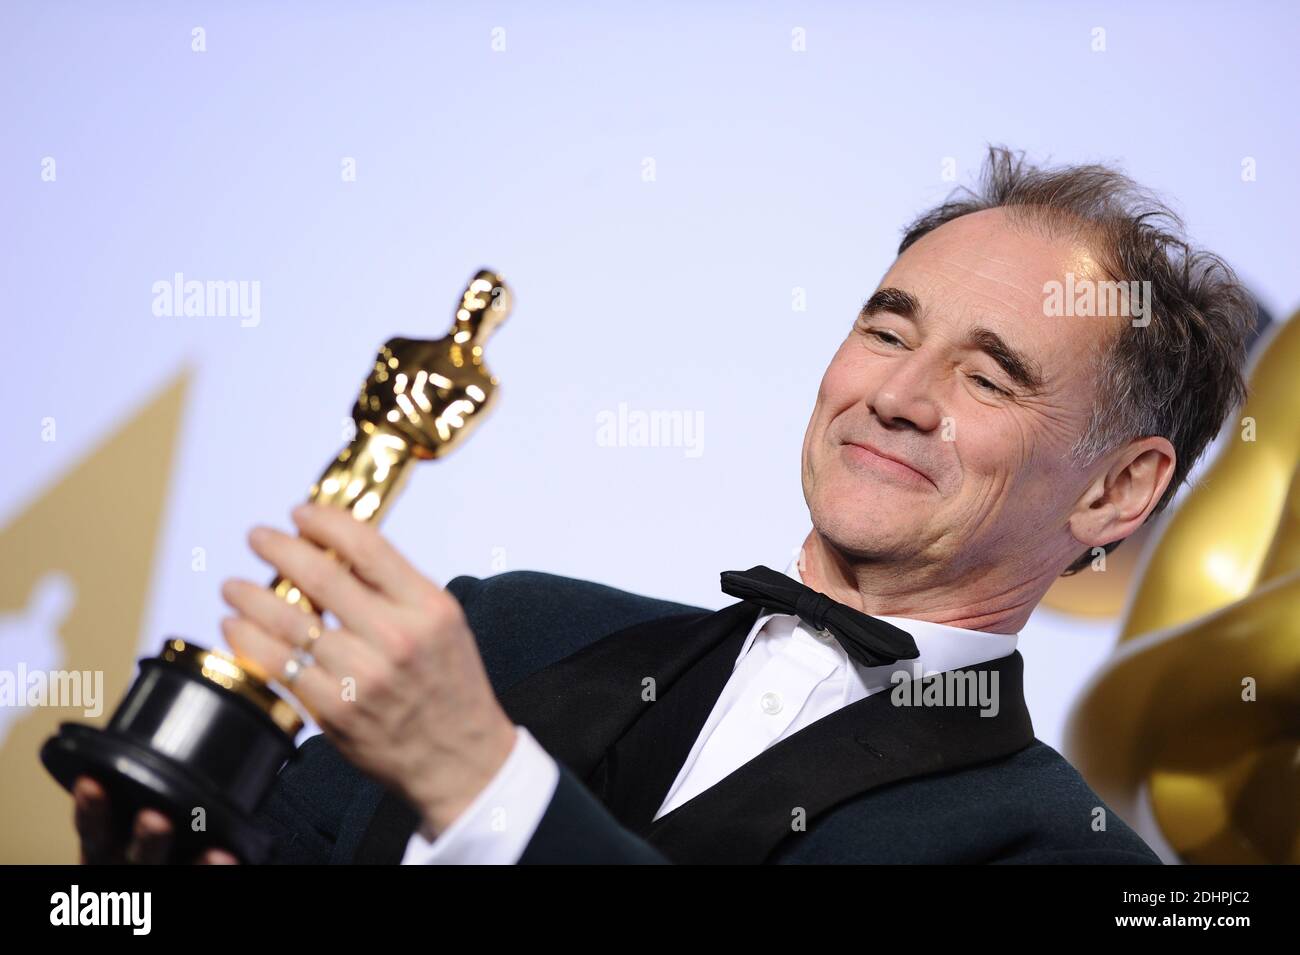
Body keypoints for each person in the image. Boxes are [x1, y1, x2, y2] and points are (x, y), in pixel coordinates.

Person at [72, 146, 1254, 864]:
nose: (895, 394)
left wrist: (489, 792)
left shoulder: (1055, 854)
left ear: (1117, 488)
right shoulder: (504, 630)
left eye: (987, 376)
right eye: (885, 329)